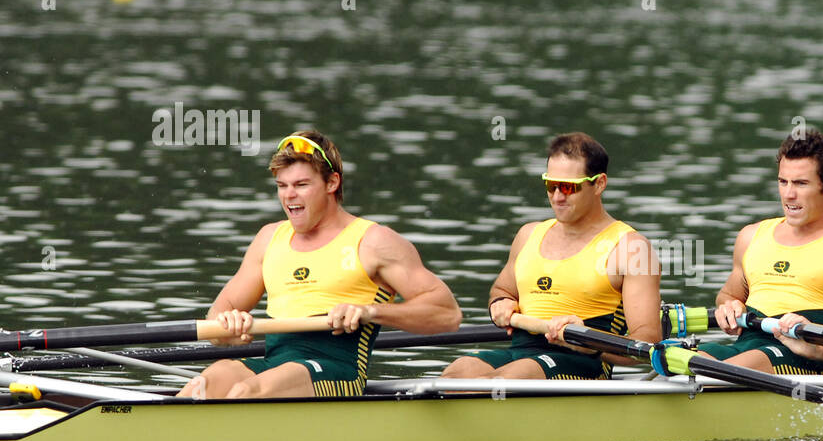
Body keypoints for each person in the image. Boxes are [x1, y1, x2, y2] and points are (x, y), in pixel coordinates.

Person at [178, 131, 461, 399]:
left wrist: (370, 311)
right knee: (204, 384)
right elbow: (219, 312)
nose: (289, 196)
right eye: (282, 186)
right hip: (275, 361)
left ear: (332, 183)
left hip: (337, 368)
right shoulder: (268, 239)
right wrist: (228, 326)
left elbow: (447, 315)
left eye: (301, 185)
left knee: (246, 392)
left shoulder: (373, 242)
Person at [441, 132, 660, 380]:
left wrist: (586, 340)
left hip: (583, 362)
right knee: (456, 373)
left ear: (599, 183)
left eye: (568, 187)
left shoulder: (631, 248)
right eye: (550, 185)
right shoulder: (528, 234)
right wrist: (499, 303)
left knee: (501, 382)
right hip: (521, 352)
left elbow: (646, 345)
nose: (557, 197)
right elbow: (502, 289)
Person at [705, 130, 823, 374]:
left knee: (716, 372)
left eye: (801, 183)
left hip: (804, 360)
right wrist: (729, 307)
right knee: (681, 362)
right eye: (783, 182)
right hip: (745, 348)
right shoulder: (751, 236)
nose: (788, 194)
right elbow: (728, 295)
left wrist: (817, 349)